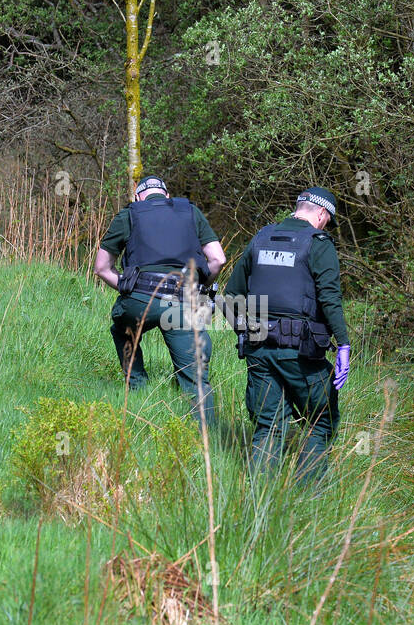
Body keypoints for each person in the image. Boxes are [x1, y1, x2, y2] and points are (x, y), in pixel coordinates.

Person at [223, 187, 351, 483]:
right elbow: (330, 299)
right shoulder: (319, 244)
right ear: (321, 214)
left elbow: (230, 296)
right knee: (320, 421)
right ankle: (308, 499)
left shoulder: (262, 237)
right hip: (301, 354)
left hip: (257, 350)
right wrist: (343, 343)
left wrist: (246, 331)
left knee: (268, 425)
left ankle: (259, 503)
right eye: (328, 220)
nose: (326, 225)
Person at [94, 175, 226, 425]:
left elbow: (101, 268)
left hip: (139, 300)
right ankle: (209, 441)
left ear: (137, 197)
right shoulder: (190, 212)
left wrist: (126, 287)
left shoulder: (129, 214)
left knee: (123, 330)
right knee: (196, 379)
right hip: (182, 302)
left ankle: (137, 388)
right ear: (167, 195)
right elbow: (218, 259)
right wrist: (201, 288)